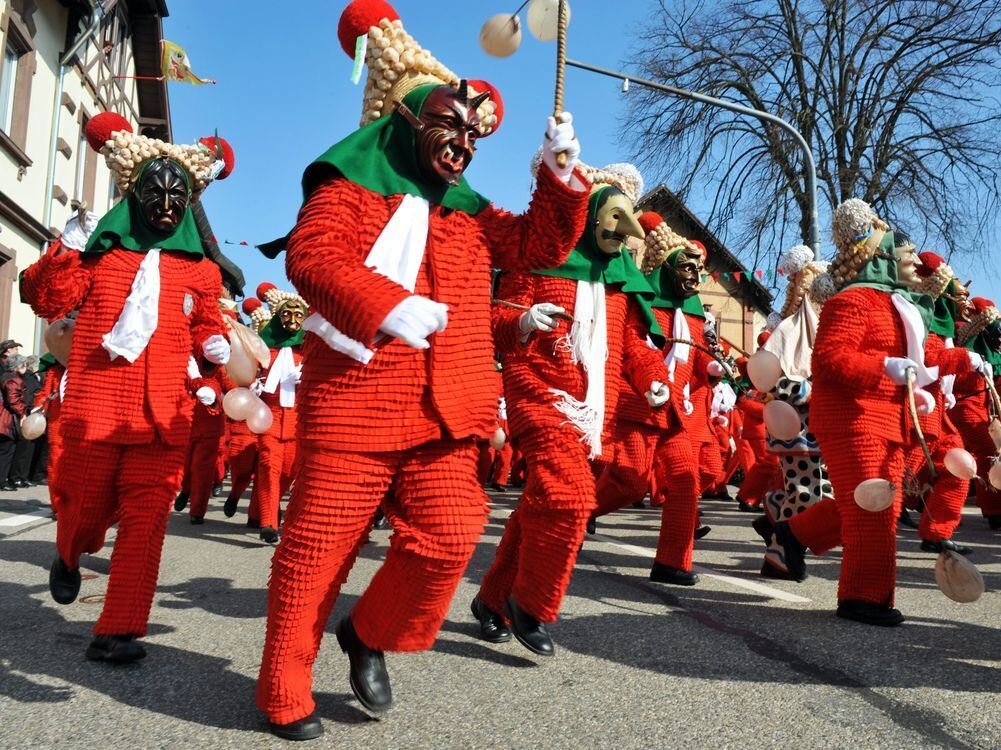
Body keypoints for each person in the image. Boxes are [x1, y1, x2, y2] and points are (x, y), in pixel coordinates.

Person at [255, 1, 589, 740]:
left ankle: (367, 634)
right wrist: (383, 306)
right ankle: (282, 685)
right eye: (451, 125)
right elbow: (311, 258)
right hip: (356, 401)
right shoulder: (347, 187)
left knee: (448, 535)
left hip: (449, 412)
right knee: (317, 551)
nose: (464, 143)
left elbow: (538, 243)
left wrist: (559, 173)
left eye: (475, 133)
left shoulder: (466, 212)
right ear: (405, 120)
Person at [20, 111, 234, 662]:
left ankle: (118, 628)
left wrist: (213, 351)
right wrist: (64, 247)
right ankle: (69, 554)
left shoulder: (201, 272)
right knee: (85, 511)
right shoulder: (100, 255)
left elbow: (207, 322)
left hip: (165, 415)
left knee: (146, 520)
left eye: (177, 198)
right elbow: (46, 299)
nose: (166, 207)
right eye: (155, 195)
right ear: (135, 196)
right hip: (97, 407)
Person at [475, 161, 670, 645]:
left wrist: (652, 379)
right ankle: (534, 603)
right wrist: (522, 322)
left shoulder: (616, 281)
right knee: (571, 496)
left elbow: (631, 345)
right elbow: (497, 317)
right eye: (614, 221)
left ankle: (492, 599)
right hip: (538, 393)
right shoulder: (537, 258)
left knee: (539, 506)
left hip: (589, 407)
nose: (624, 237)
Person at [774, 200, 980, 626]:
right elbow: (830, 360)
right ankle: (863, 599)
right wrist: (884, 367)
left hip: (888, 418)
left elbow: (927, 357)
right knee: (875, 509)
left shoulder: (900, 306)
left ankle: (792, 534)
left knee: (863, 501)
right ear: (882, 257)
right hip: (852, 417)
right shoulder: (850, 302)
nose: (914, 264)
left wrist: (966, 360)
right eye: (907, 257)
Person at [591, 212, 715, 584]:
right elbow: (629, 348)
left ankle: (673, 562)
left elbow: (696, 356)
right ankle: (577, 515)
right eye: (686, 267)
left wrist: (712, 367)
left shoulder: (694, 317)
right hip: (639, 406)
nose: (694, 276)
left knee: (685, 480)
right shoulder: (641, 303)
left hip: (677, 411)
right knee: (629, 483)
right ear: (666, 268)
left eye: (698, 269)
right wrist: (648, 384)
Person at [249, 283, 306, 544]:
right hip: (268, 418)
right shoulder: (265, 351)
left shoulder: (308, 353)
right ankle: (268, 523)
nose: (291, 320)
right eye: (286, 314)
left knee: (287, 473)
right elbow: (245, 374)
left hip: (296, 422)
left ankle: (270, 511)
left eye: (297, 315)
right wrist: (254, 383)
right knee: (269, 467)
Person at [0, 354, 28, 491]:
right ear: (19, 366)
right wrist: (22, 413)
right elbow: (13, 400)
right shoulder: (14, 379)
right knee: (7, 451)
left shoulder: (6, 376)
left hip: (5, 418)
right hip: (6, 420)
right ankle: (1, 481)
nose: (26, 368)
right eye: (24, 365)